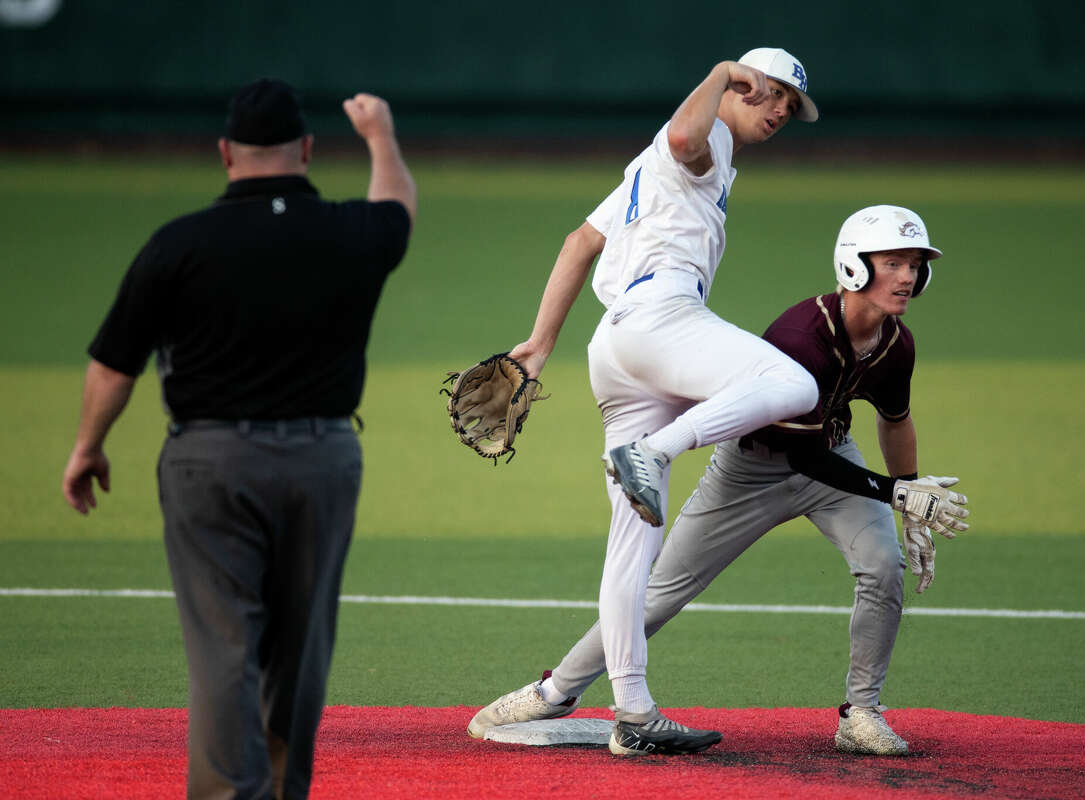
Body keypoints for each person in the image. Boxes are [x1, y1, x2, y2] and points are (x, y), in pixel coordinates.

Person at [470, 205, 970, 757]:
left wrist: (911, 492)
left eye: (915, 264)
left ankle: (862, 713)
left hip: (833, 456)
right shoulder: (802, 335)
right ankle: (555, 690)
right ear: (854, 267)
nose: (907, 276)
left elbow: (894, 420)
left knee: (883, 566)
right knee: (659, 594)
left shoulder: (897, 344)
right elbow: (799, 456)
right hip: (751, 470)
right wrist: (893, 491)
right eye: (893, 262)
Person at [60, 78, 416, 799]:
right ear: (308, 150)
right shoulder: (351, 230)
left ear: (224, 152)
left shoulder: (180, 243)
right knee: (301, 647)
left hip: (211, 463)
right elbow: (397, 208)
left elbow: (113, 364)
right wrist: (379, 134)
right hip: (323, 459)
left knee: (226, 645)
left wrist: (88, 446)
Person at [496, 47, 822, 756]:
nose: (779, 114)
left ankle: (634, 713)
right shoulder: (702, 141)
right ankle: (656, 450)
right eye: (773, 97)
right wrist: (721, 70)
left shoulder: (651, 168)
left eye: (790, 110)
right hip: (660, 321)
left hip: (614, 349)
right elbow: (684, 137)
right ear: (743, 88)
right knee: (796, 385)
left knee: (632, 551)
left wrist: (542, 341)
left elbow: (581, 240)